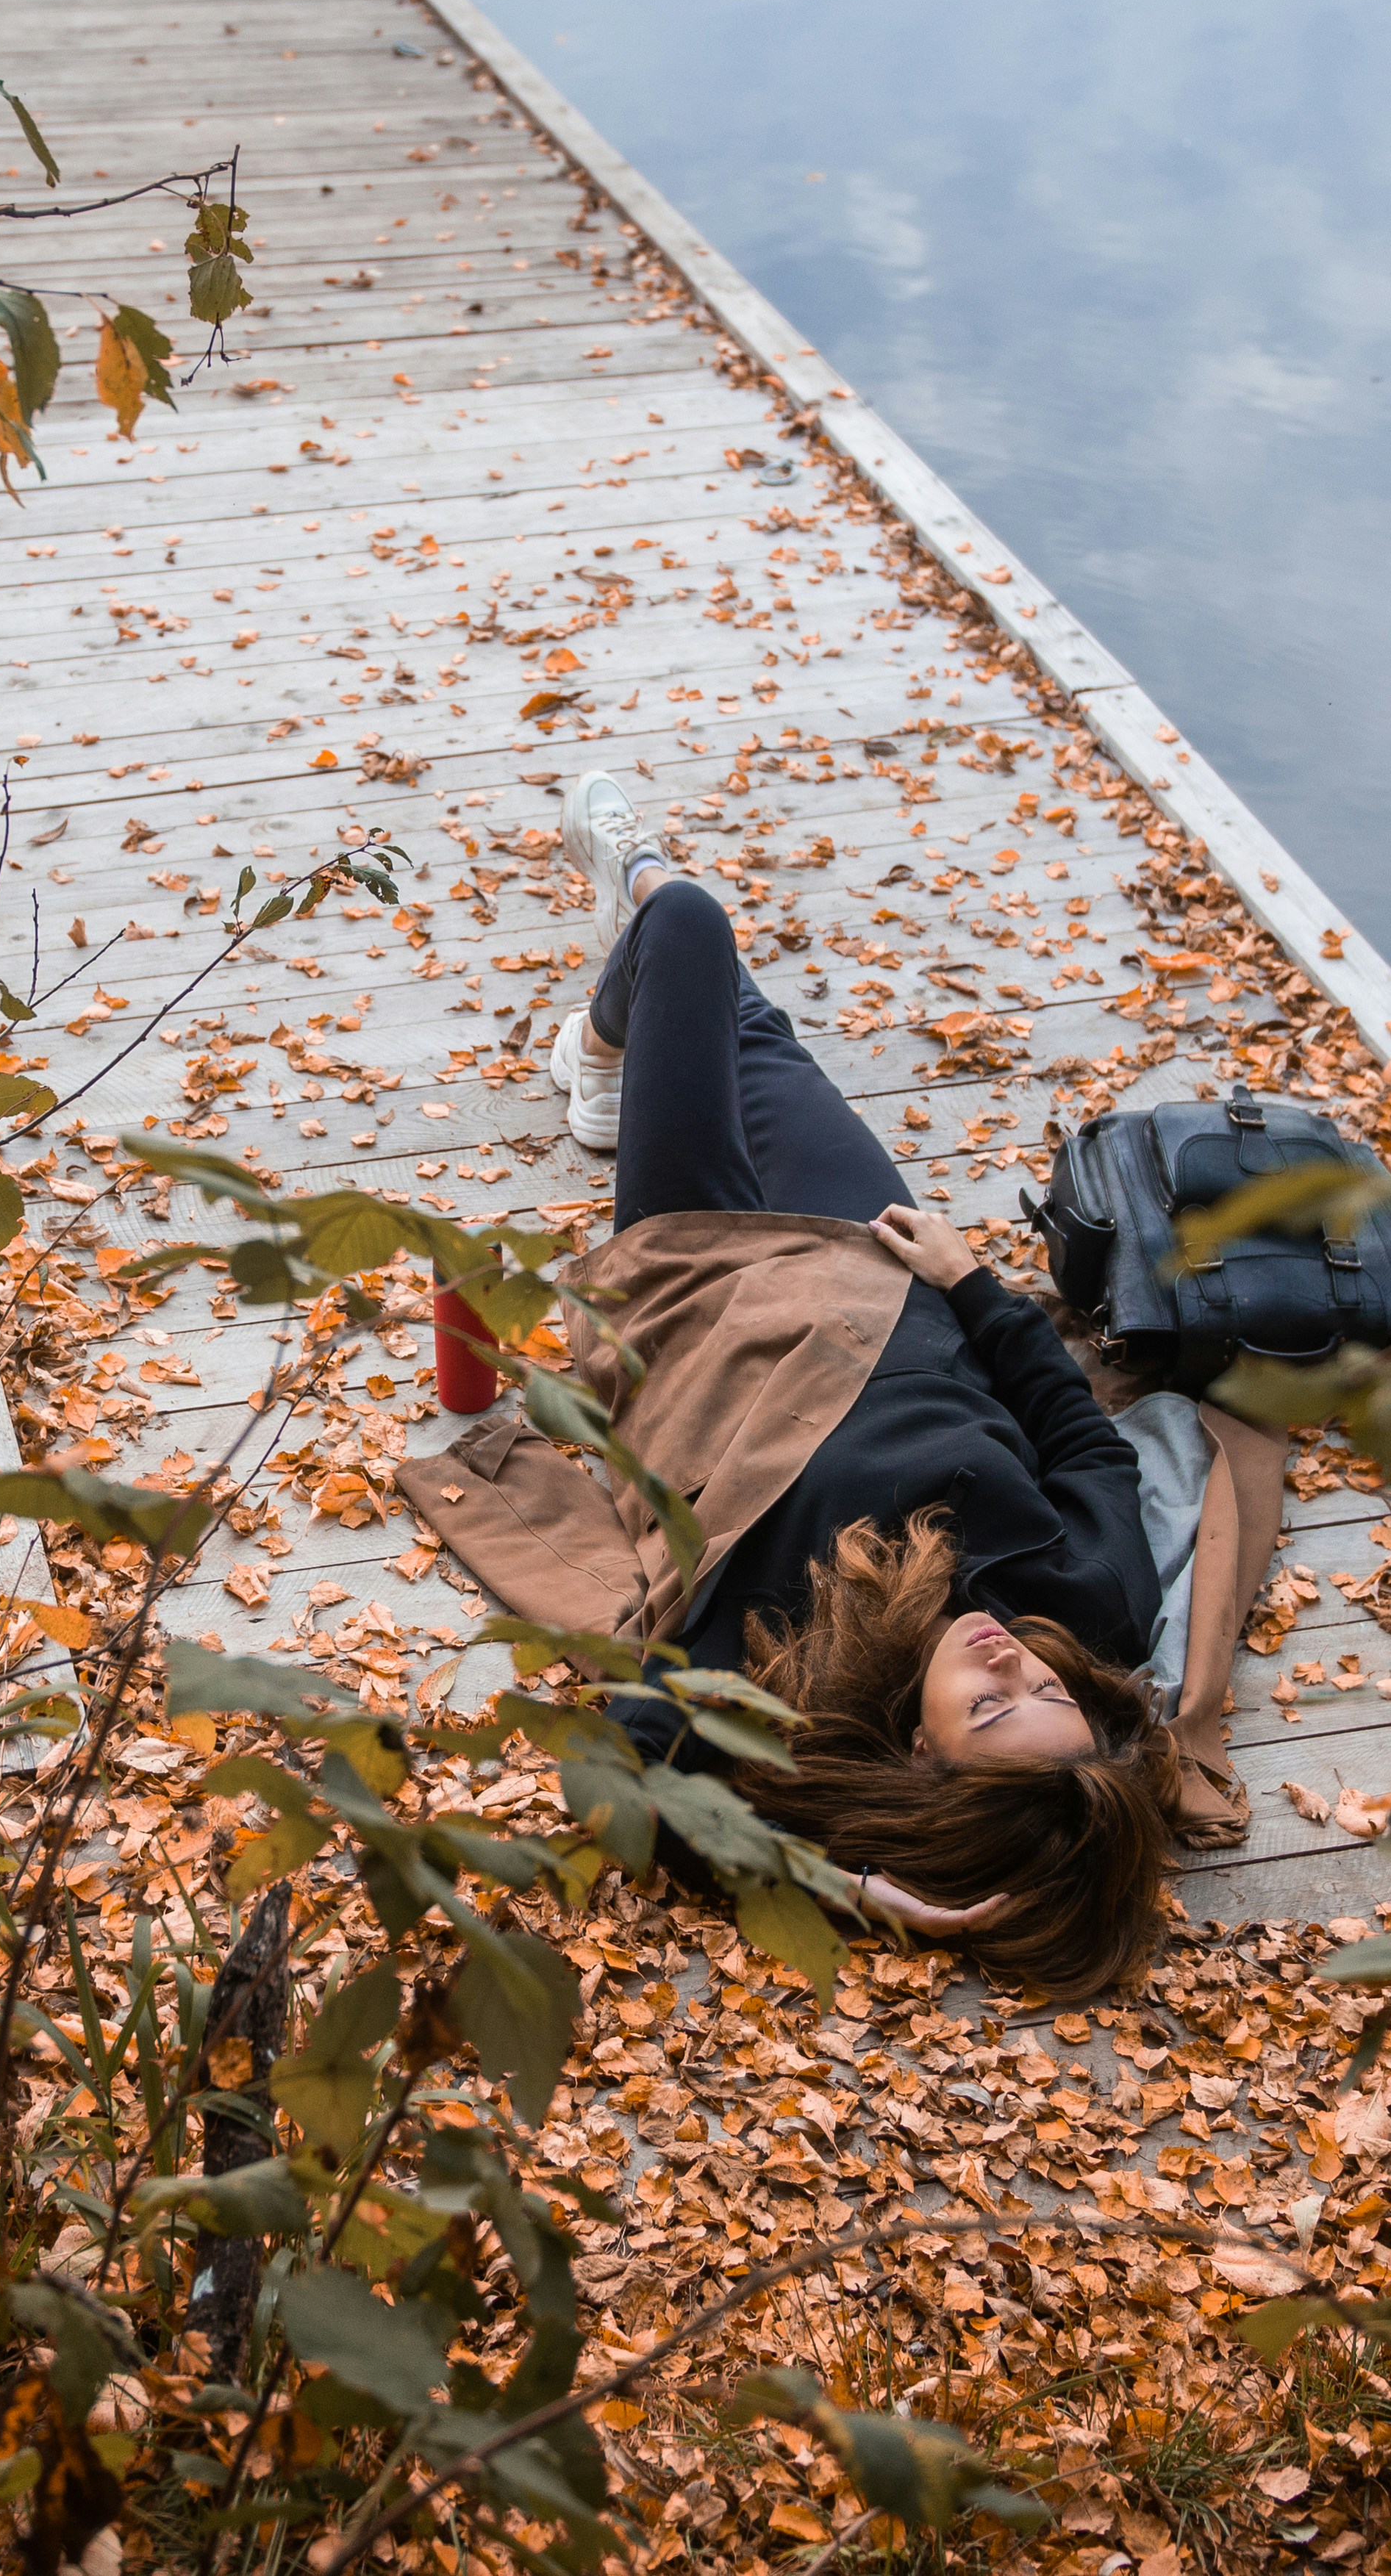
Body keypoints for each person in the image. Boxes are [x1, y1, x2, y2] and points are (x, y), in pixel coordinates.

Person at [407, 772, 1232, 2004]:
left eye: (996, 1708)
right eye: (1048, 1688)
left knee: (687, 925)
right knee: (747, 1026)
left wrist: (826, 1882)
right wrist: (973, 1288)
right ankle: (613, 1042)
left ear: (920, 1754)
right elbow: (1089, 1449)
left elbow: (612, 1780)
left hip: (695, 1294)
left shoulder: (774, 1676)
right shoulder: (1085, 1609)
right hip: (869, 1262)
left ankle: (612, 1025)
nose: (1016, 1663)